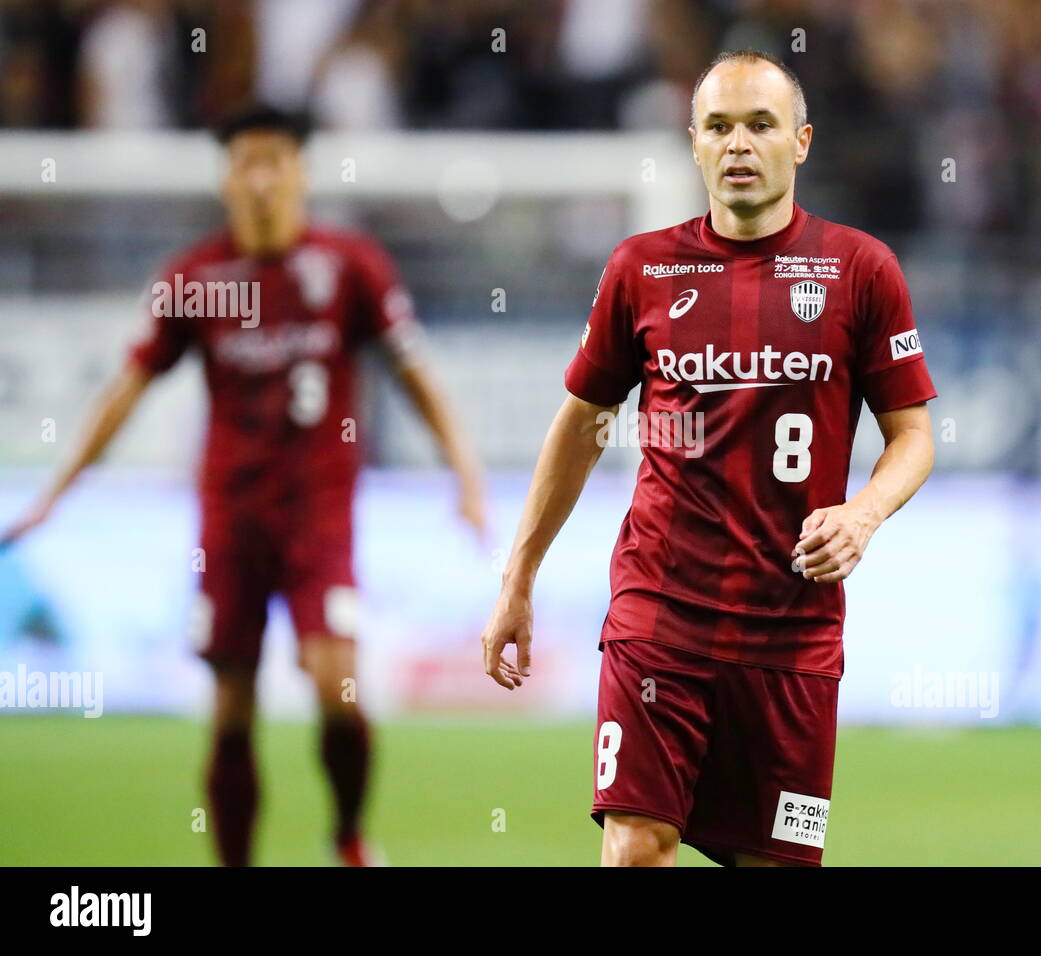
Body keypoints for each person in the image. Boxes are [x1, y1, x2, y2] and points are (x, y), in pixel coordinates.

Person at [480, 50, 937, 866]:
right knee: (636, 847)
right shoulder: (640, 269)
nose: (738, 144)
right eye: (719, 127)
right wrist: (519, 576)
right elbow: (583, 423)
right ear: (693, 144)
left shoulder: (861, 270)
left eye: (760, 125)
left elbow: (914, 435)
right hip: (660, 614)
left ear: (800, 142)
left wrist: (863, 515)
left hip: (791, 637)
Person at [2, 104, 487, 866]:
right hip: (229, 522)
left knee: (338, 687)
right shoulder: (195, 279)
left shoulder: (348, 266)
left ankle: (349, 837)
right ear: (226, 178)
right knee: (230, 709)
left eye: (276, 161)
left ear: (301, 172)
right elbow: (126, 391)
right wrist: (55, 493)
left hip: (319, 518)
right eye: (246, 163)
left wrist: (465, 474)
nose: (261, 179)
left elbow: (414, 373)